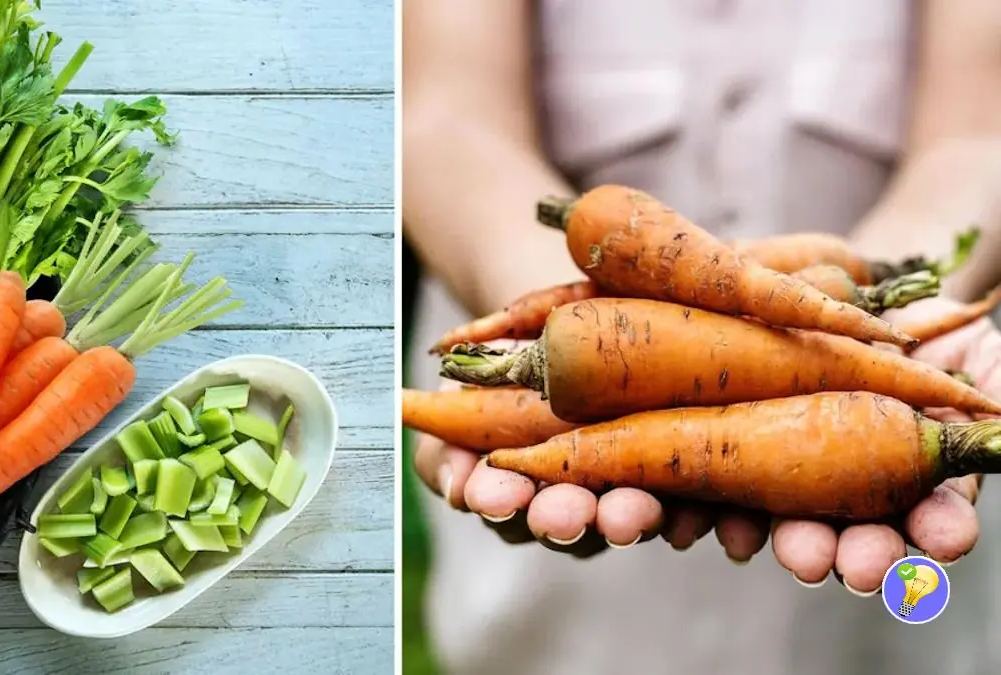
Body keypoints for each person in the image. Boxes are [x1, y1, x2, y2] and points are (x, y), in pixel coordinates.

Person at [401, 1, 1001, 673]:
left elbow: (978, 134)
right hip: (570, 611)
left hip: (885, 606)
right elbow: (445, 119)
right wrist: (574, 326)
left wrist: (884, 311)